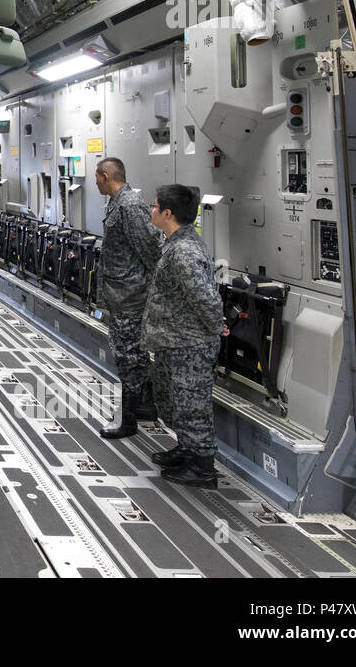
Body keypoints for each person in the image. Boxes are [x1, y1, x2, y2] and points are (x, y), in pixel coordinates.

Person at [143, 184, 224, 488]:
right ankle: (187, 450)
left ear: (167, 213)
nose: (151, 210)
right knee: (177, 401)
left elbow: (205, 299)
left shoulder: (185, 251)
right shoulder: (175, 244)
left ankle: (203, 468)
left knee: (193, 405)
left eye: (154, 206)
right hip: (174, 340)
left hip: (190, 343)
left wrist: (216, 325)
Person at [93, 157, 163, 439]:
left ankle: (129, 419)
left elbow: (150, 249)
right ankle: (145, 406)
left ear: (106, 176)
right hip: (121, 294)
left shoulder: (129, 205)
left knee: (129, 357)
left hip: (131, 296)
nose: (95, 182)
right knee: (129, 355)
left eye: (97, 177)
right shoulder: (117, 203)